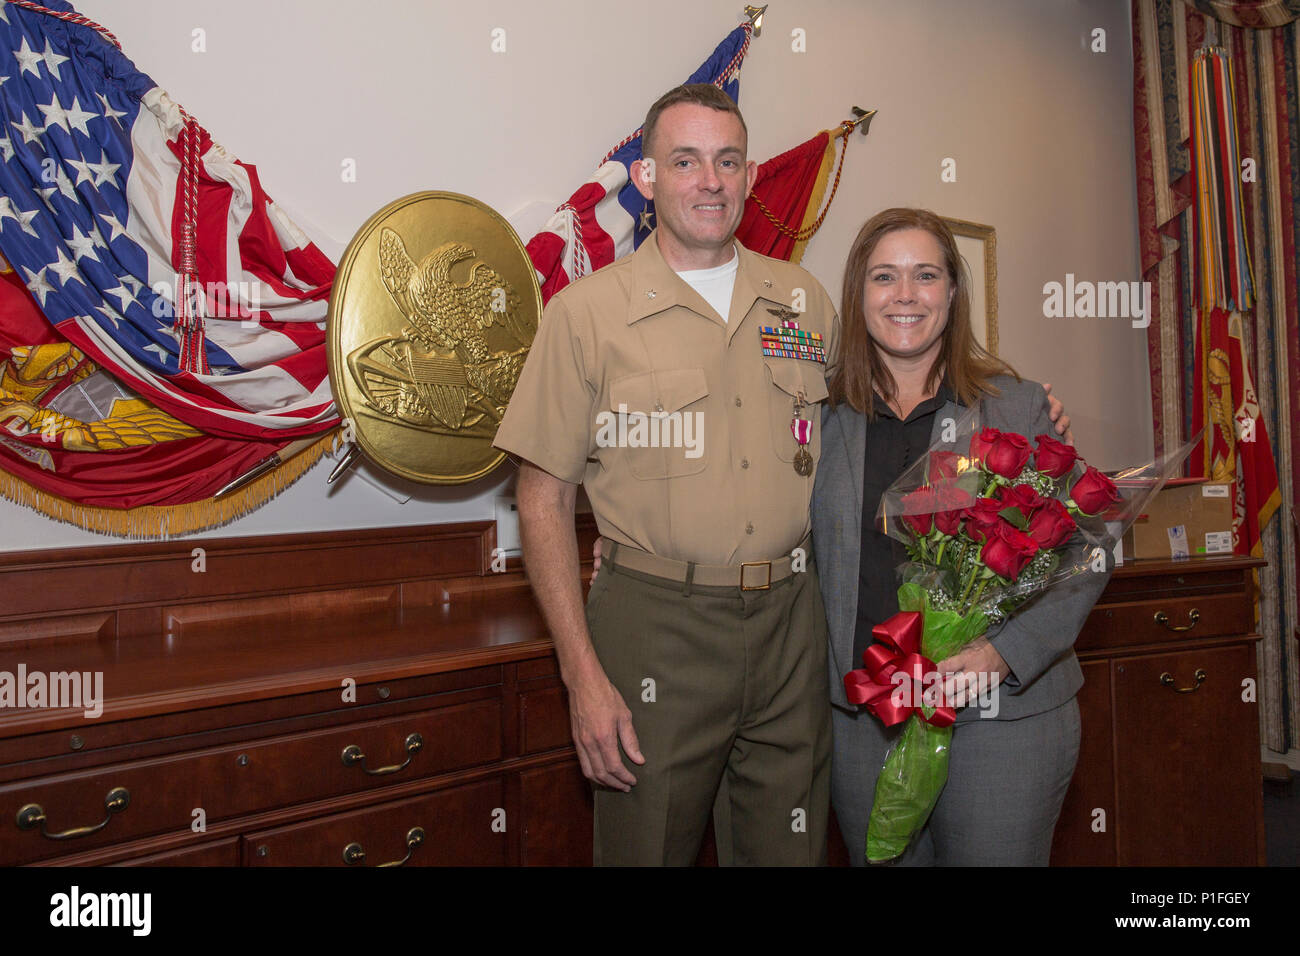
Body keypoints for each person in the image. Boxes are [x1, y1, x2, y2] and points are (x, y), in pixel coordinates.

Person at [494, 83, 840, 865]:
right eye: (684, 161)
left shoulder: (803, 301)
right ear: (646, 178)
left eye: (727, 161)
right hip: (655, 630)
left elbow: (864, 423)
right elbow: (542, 499)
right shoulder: (585, 315)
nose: (709, 180)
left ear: (750, 177)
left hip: (791, 621)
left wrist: (1004, 406)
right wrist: (582, 677)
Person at [811, 207, 1112, 866]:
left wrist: (1001, 653)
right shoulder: (820, 419)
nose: (906, 295)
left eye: (926, 275)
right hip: (863, 719)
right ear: (859, 295)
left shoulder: (1015, 405)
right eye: (884, 277)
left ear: (952, 292)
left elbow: (1091, 545)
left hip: (999, 714)